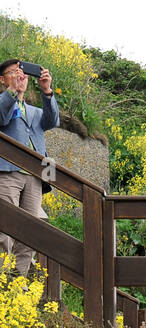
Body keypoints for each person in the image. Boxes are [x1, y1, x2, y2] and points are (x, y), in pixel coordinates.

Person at [0, 59, 58, 275]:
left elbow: (52, 121)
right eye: (14, 72)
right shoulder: (2, 101)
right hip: (7, 173)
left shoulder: (34, 111)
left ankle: (18, 279)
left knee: (31, 231)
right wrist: (12, 92)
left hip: (34, 176)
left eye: (22, 73)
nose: (20, 76)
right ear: (3, 79)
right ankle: (1, 278)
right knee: (5, 228)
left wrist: (47, 91)